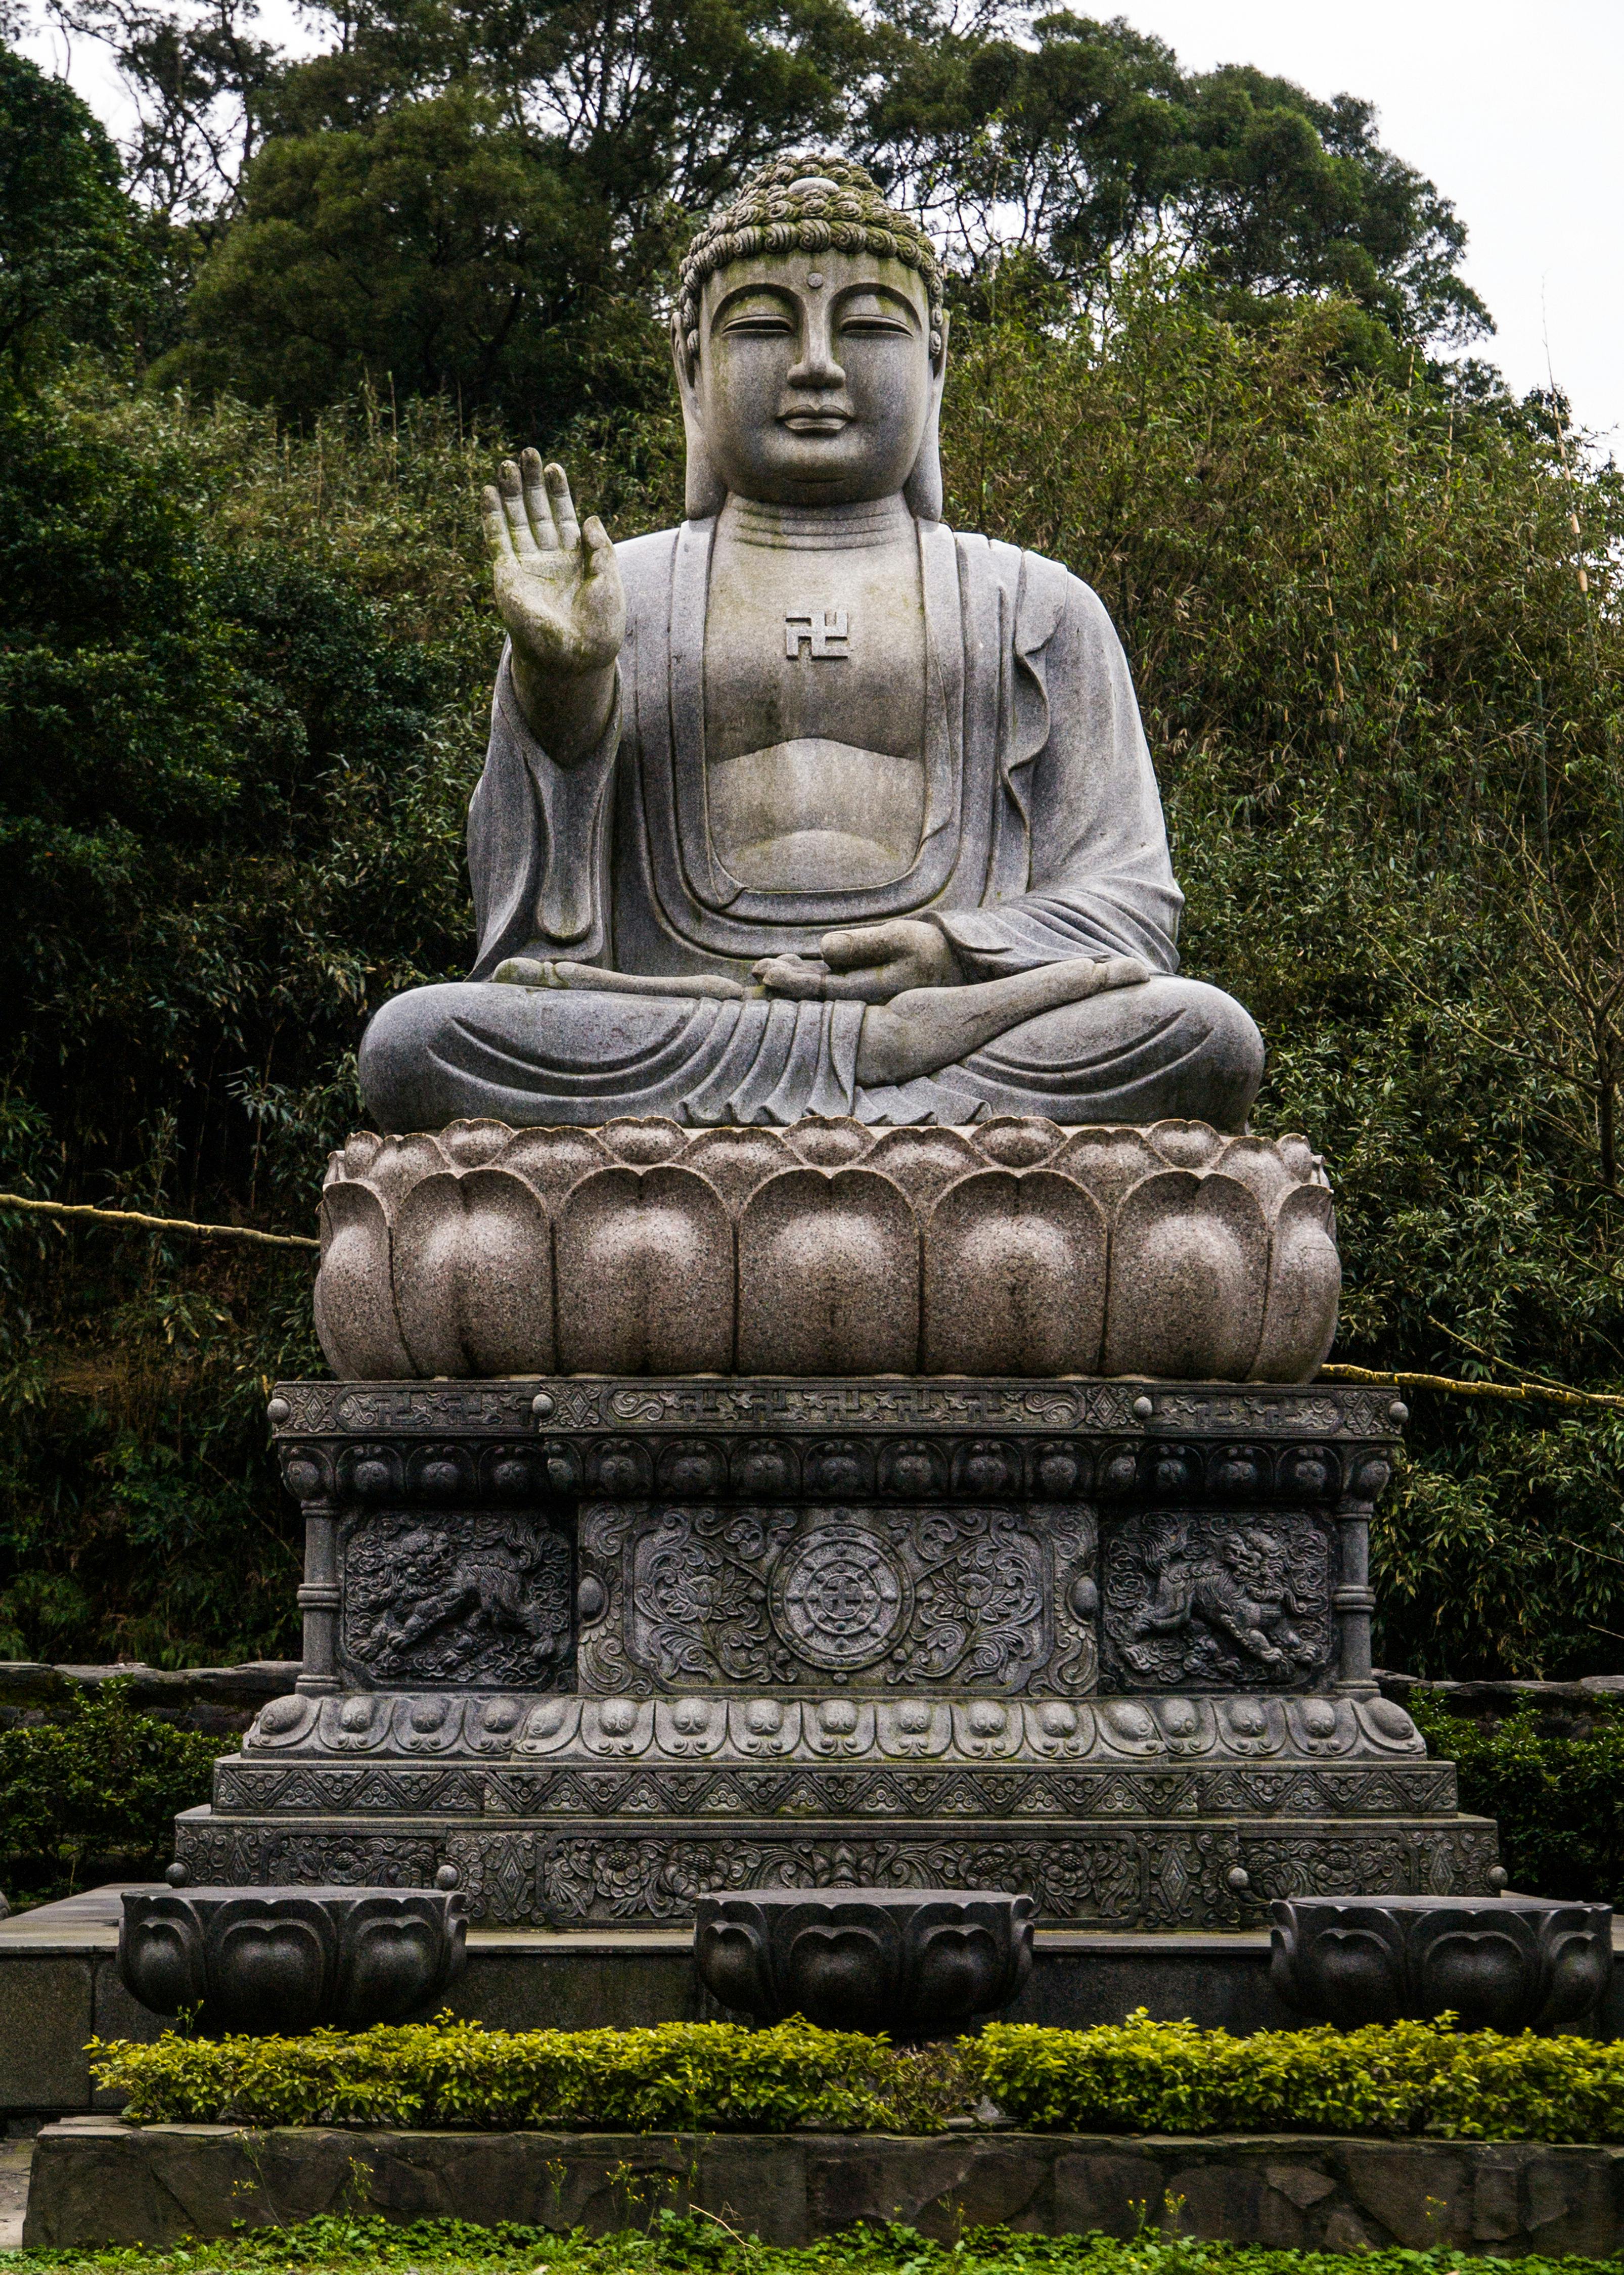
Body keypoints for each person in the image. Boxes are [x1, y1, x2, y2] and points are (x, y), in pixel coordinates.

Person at [358, 154, 1264, 1132]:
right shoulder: (615, 585)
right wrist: (562, 679)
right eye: (760, 328)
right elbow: (535, 916)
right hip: (677, 1017)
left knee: (1197, 1034)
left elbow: (1128, 904)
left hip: (954, 1018)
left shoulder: (1034, 601)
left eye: (870, 326)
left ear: (935, 362)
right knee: (422, 1042)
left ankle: (872, 1064)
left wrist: (955, 949)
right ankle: (882, 1086)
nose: (817, 365)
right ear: (691, 367)